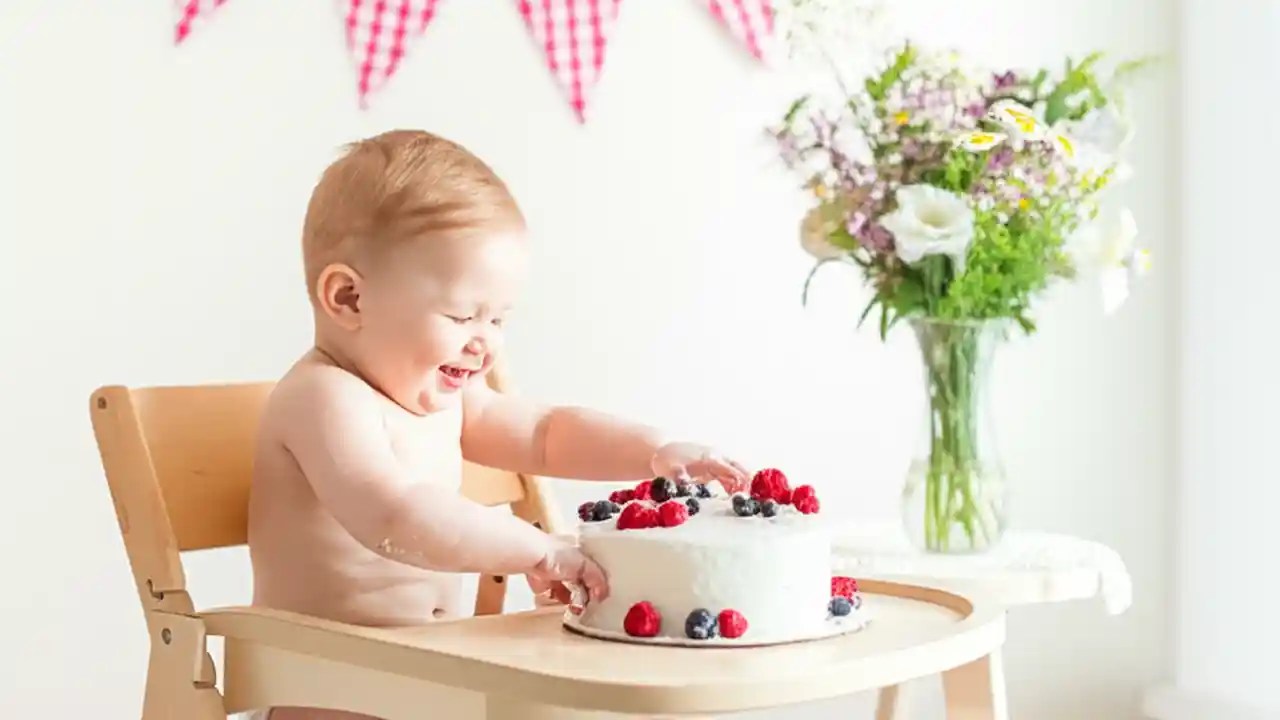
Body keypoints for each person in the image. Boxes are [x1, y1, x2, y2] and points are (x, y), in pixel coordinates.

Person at [246, 130, 751, 720]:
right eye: (463, 315)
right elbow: (394, 513)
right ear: (350, 299)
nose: (484, 343)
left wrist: (654, 451)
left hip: (428, 673)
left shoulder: (447, 399)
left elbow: (544, 433)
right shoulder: (323, 398)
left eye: (499, 319)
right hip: (327, 687)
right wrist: (535, 550)